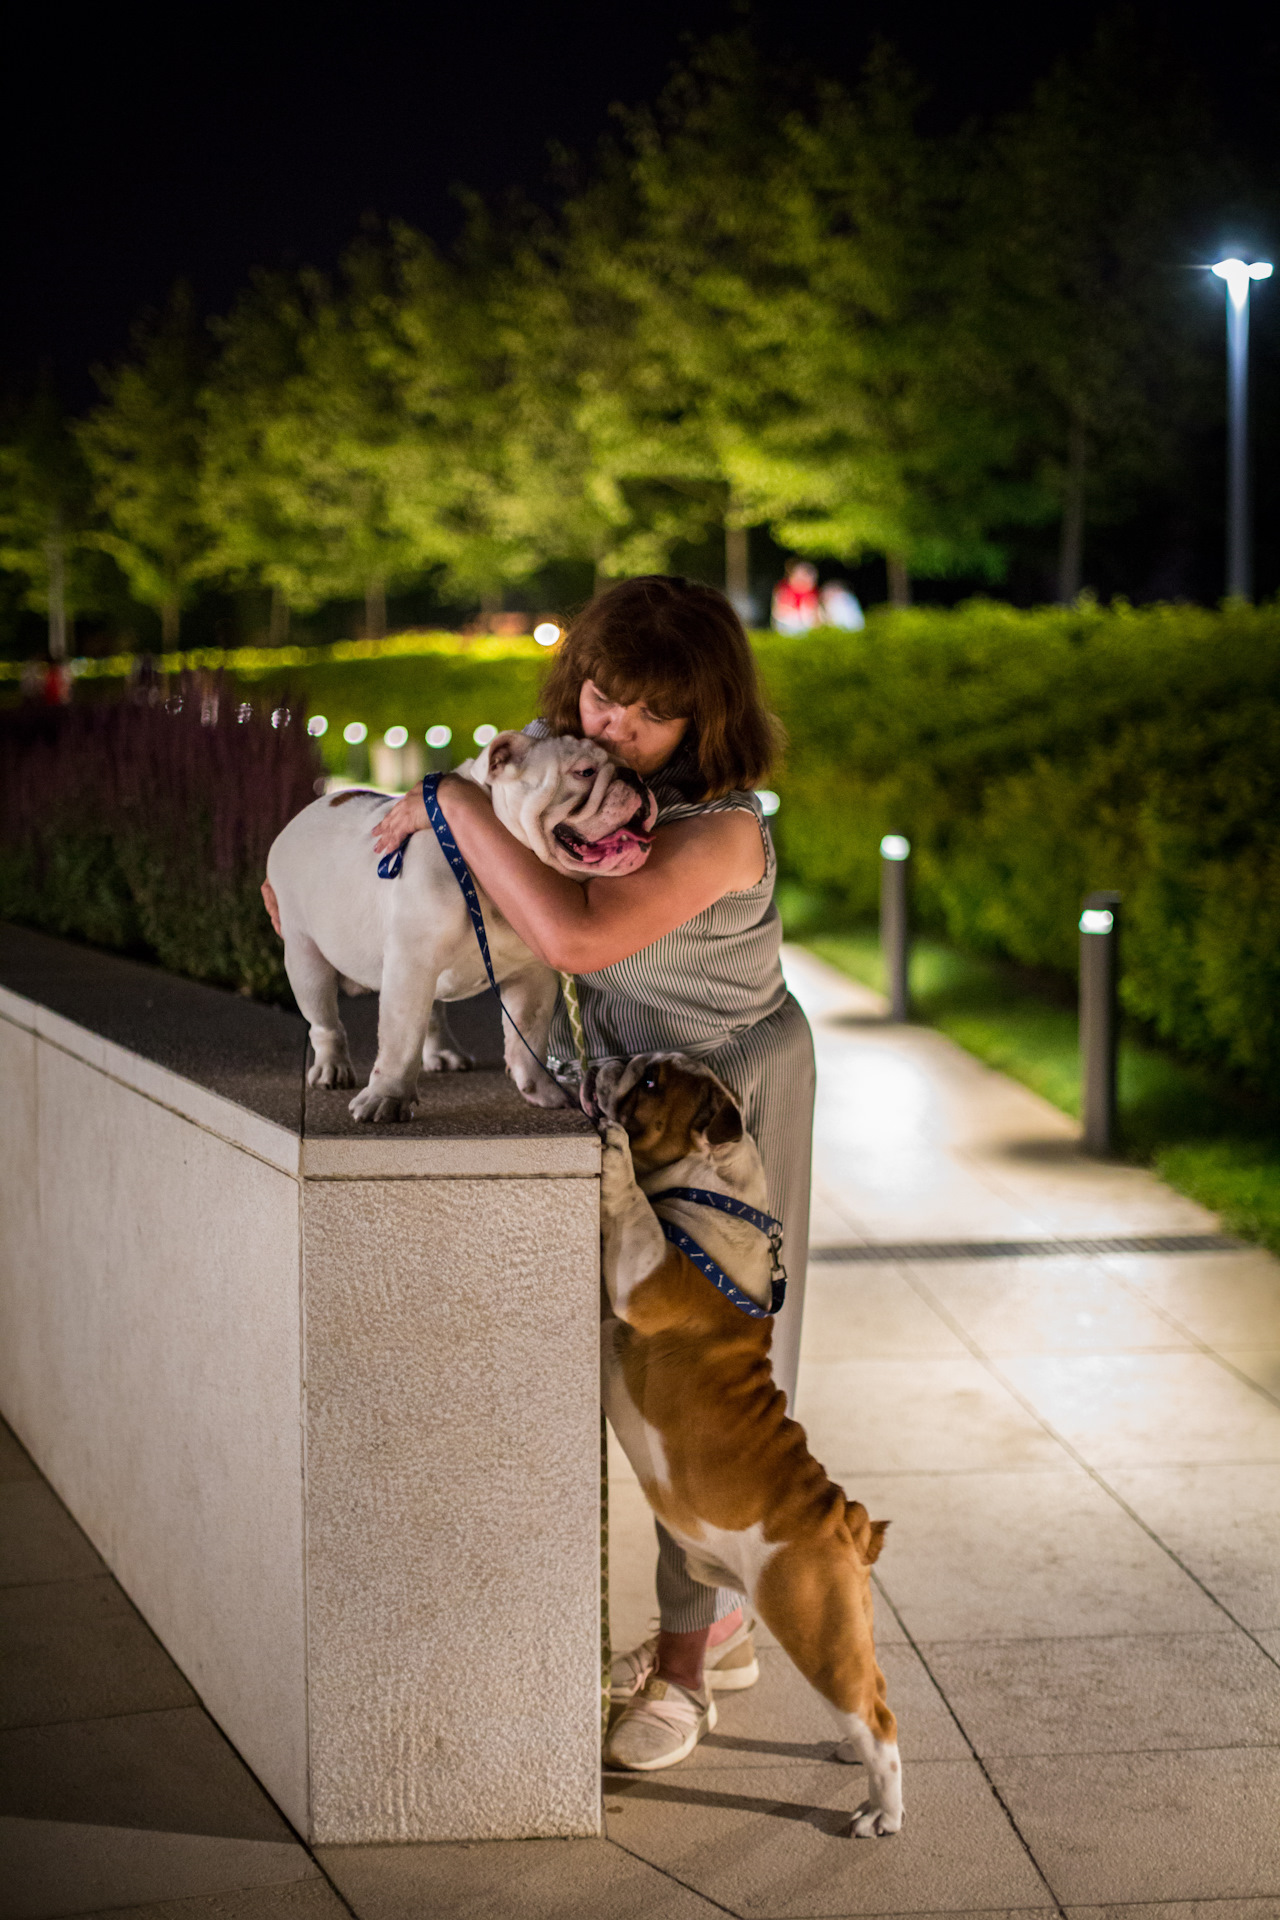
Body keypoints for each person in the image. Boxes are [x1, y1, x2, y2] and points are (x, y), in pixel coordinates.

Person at [372, 575, 816, 1773]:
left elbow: (569, 936)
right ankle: (712, 1621)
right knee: (620, 1367)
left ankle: (689, 1657)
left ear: (703, 722)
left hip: (723, 1108)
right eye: (601, 694)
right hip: (620, 1083)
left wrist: (452, 802)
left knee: (701, 1384)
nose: (610, 723)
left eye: (644, 715)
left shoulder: (718, 827)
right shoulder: (584, 786)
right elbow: (476, 886)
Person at [770, 558, 820, 635]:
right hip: (787, 625)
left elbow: (814, 616)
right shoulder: (784, 590)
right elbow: (779, 612)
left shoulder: (812, 594)